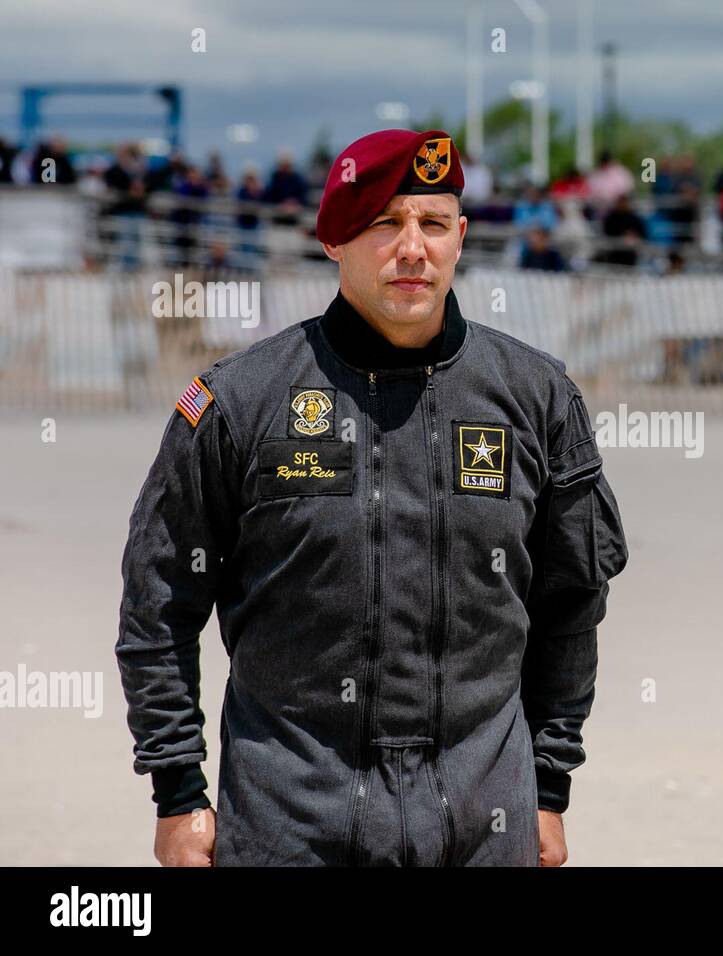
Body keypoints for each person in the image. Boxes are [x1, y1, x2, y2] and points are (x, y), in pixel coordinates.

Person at [117, 128, 629, 867]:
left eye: (432, 222)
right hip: (289, 825)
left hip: (484, 824)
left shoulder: (537, 399)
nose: (411, 248)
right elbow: (156, 603)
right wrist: (178, 794)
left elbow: (572, 604)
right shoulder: (240, 402)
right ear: (334, 239)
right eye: (383, 223)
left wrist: (549, 788)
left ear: (461, 236)